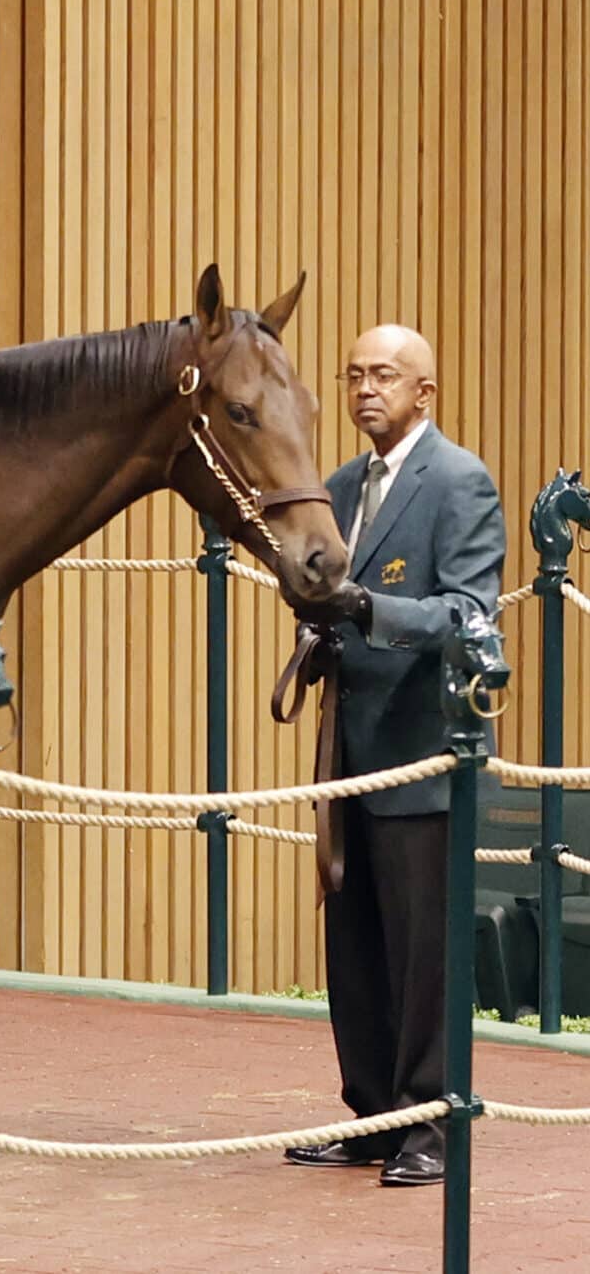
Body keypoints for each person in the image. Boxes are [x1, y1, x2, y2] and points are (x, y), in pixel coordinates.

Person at [283, 324, 505, 1187]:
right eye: (354, 374)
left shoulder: (460, 480)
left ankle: (433, 1123)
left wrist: (365, 607)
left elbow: (468, 614)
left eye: (385, 374)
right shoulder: (337, 486)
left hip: (422, 750)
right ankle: (373, 1115)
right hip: (349, 748)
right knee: (356, 940)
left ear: (426, 391)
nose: (366, 387)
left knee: (422, 948)